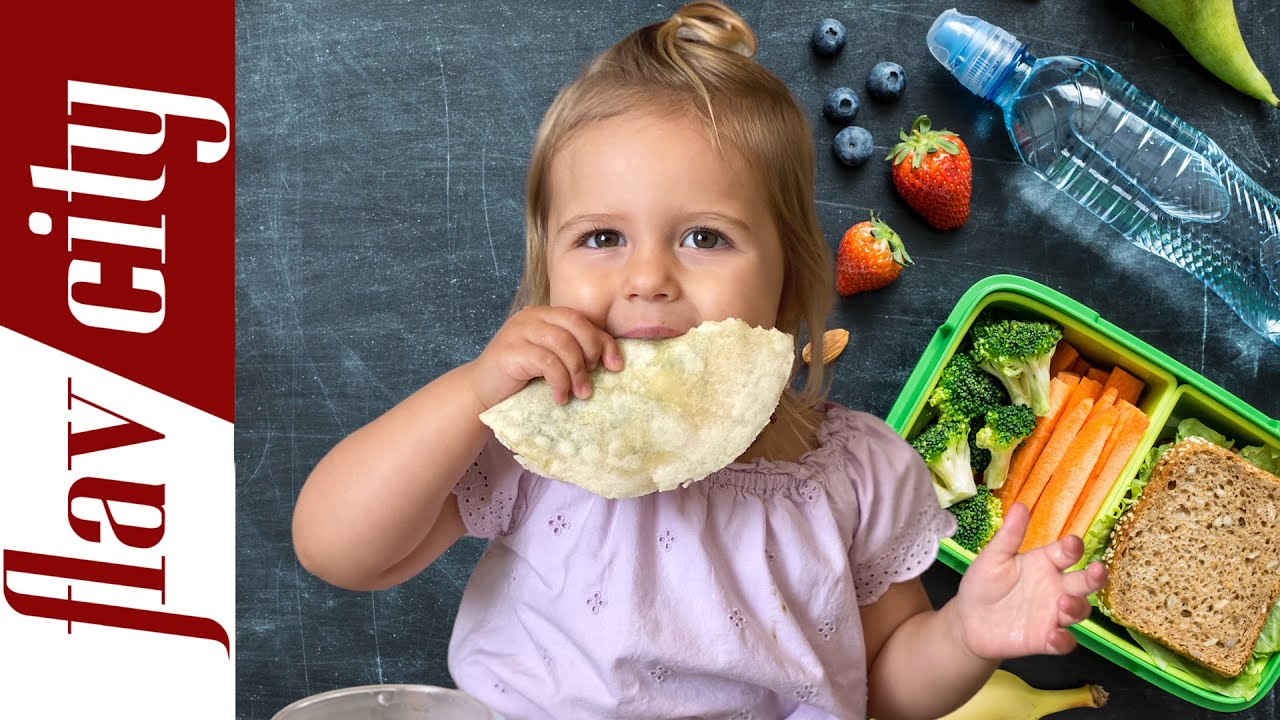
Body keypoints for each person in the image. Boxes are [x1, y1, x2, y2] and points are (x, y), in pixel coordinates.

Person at [291, 2, 1107, 718]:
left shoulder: (857, 477)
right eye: (602, 238)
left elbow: (885, 691)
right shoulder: (537, 441)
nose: (647, 278)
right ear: (549, 271)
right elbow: (338, 549)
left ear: (789, 282)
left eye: (703, 238)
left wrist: (966, 635)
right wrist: (472, 391)